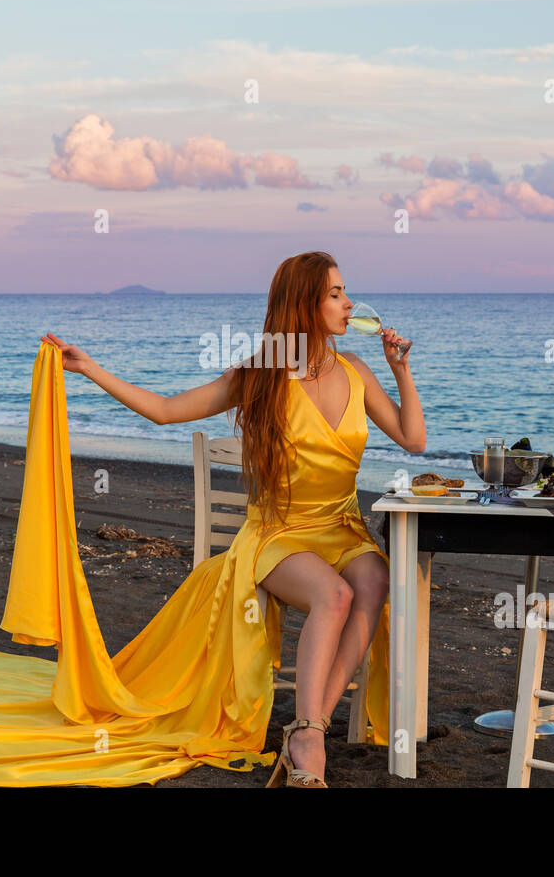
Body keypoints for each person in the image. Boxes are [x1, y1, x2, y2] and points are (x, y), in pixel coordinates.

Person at [41, 251, 424, 786]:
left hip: (341, 527)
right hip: (277, 535)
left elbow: (414, 439)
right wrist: (90, 369)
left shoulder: (356, 370)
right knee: (333, 596)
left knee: (375, 579)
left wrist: (400, 370)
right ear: (303, 304)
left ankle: (305, 726)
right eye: (335, 293)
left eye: (344, 291)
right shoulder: (261, 377)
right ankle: (311, 735)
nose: (349, 301)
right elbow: (166, 410)